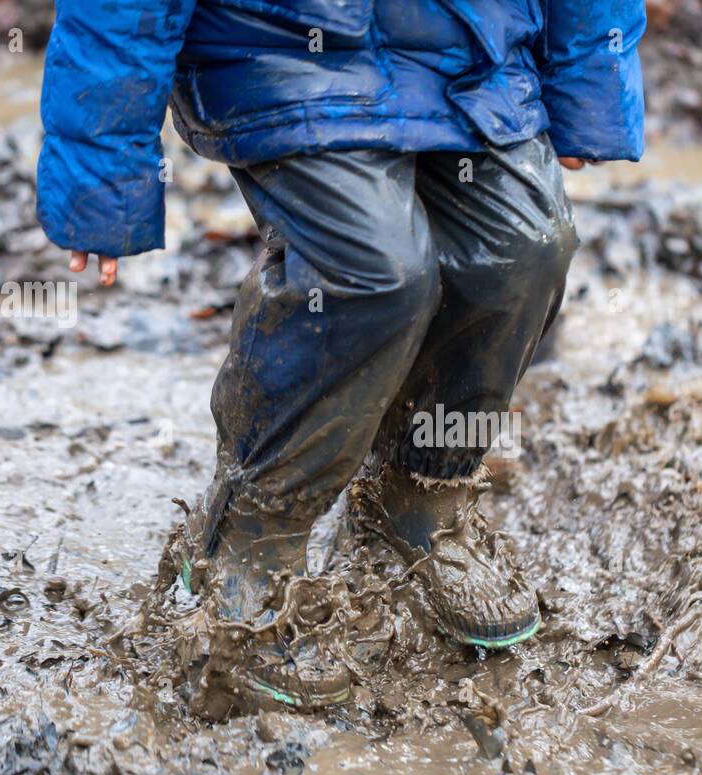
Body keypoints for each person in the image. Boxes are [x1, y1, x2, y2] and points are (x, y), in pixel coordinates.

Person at [37, 0, 645, 709]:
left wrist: (588, 80)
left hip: (473, 46)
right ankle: (250, 536)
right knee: (373, 272)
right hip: (282, 49)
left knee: (521, 254)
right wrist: (102, 172)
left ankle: (421, 497)